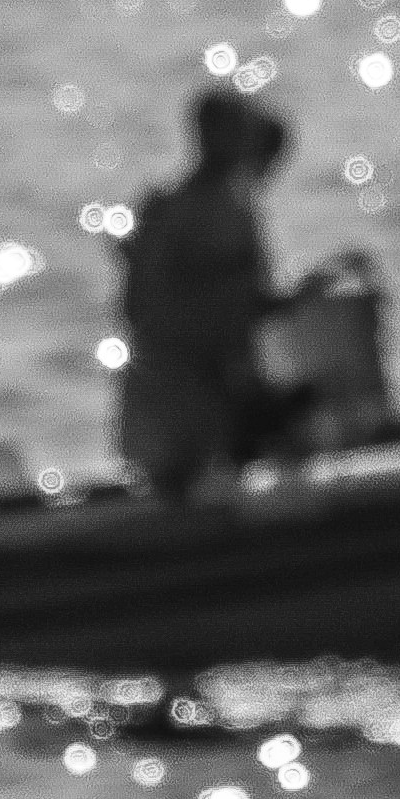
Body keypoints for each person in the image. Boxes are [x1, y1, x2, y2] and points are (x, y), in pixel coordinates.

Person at [112, 88, 293, 495]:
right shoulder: (170, 211)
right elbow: (139, 309)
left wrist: (308, 294)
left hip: (230, 393)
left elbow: (252, 304)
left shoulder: (239, 211)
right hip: (181, 399)